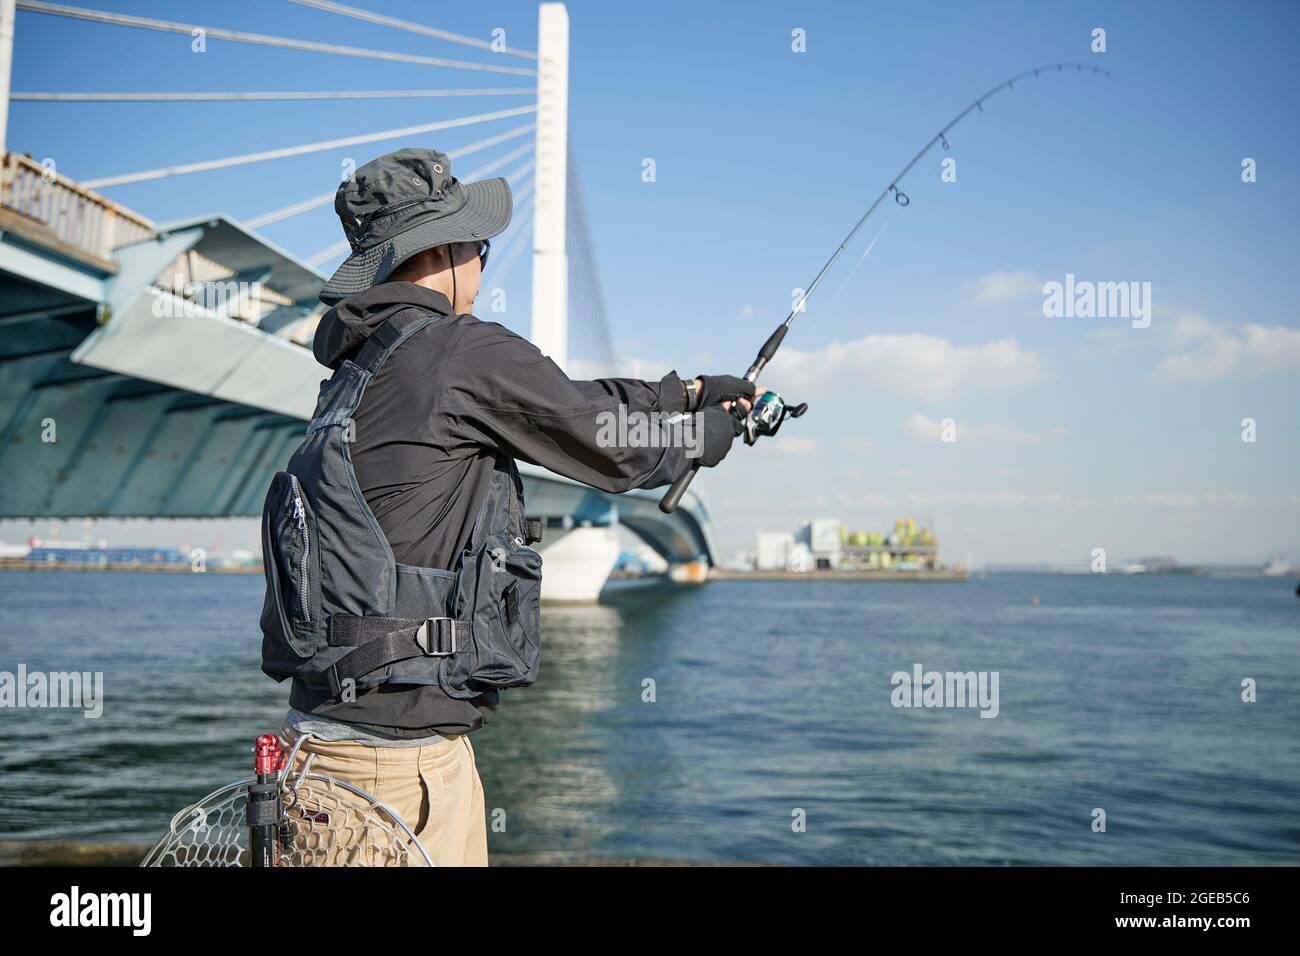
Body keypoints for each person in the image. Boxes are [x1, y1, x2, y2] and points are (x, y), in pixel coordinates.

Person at [264, 147, 756, 866]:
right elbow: (610, 445)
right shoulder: (457, 351)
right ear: (445, 249)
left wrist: (683, 395)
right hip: (396, 777)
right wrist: (705, 435)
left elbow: (564, 403)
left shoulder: (356, 370)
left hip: (330, 750)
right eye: (479, 243)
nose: (484, 261)